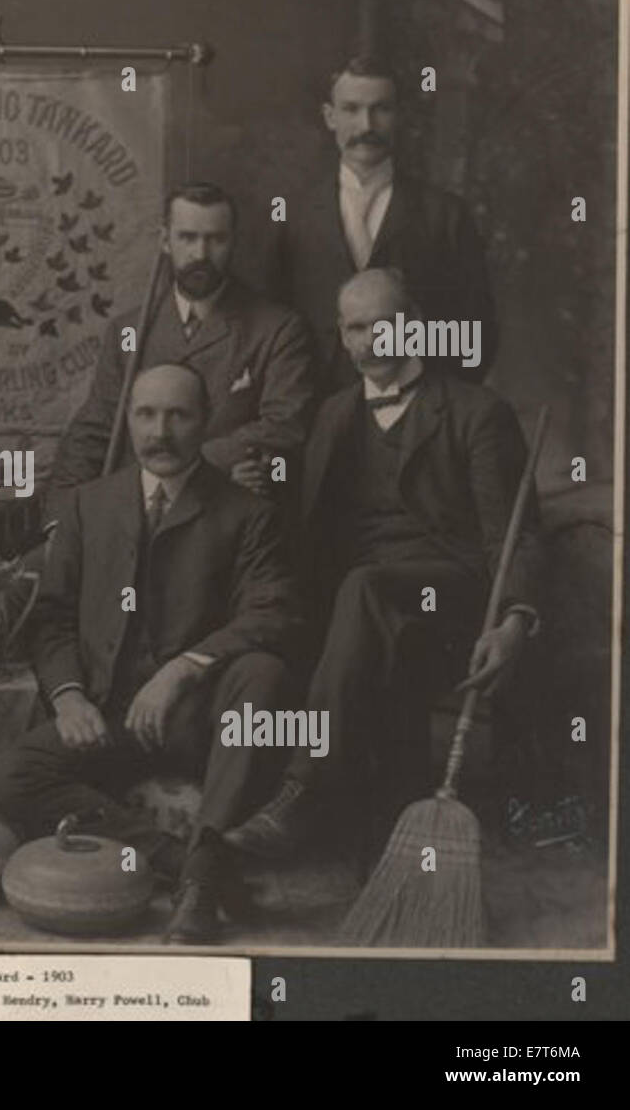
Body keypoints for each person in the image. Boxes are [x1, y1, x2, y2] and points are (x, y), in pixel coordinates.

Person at [224, 268, 541, 860]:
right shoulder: (330, 416)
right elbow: (300, 522)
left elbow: (513, 534)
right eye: (355, 328)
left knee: (364, 588)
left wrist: (515, 618)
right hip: (355, 603)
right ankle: (233, 840)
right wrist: (257, 483)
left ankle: (304, 792)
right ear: (341, 338)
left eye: (383, 325)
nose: (369, 342)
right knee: (309, 616)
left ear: (415, 326)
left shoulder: (477, 412)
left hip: (446, 598)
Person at [0, 363, 300, 943]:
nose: (161, 431)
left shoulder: (245, 513)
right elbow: (51, 618)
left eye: (179, 415)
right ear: (127, 421)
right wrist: (70, 696)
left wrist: (182, 669)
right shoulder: (86, 506)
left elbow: (272, 613)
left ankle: (199, 888)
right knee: (7, 777)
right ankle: (191, 864)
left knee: (263, 672)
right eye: (146, 415)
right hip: (107, 712)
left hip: (199, 717)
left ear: (205, 422)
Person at [50, 181, 315, 501]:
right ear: (165, 241)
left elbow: (283, 425)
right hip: (135, 512)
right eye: (188, 238)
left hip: (223, 507)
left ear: (233, 242)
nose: (200, 254)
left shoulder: (278, 329)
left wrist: (187, 469)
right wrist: (62, 520)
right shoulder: (129, 331)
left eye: (216, 239)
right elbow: (95, 429)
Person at [270, 55, 496, 389]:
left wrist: (437, 411)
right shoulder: (293, 215)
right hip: (315, 412)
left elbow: (476, 331)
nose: (366, 126)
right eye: (351, 109)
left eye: (381, 109)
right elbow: (272, 324)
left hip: (417, 414)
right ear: (329, 117)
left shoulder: (445, 214)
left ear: (400, 116)